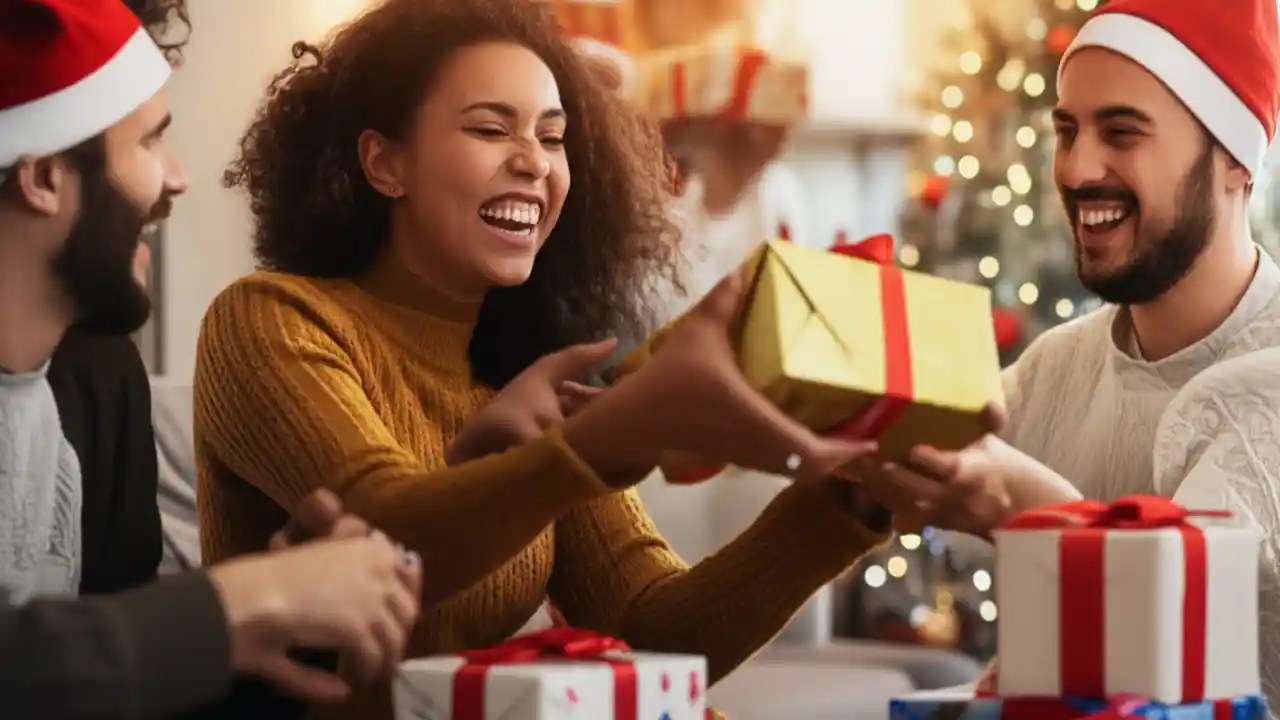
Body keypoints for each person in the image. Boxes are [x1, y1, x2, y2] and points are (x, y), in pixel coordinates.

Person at [194, 1, 1000, 717]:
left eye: (553, 137)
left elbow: (651, 629)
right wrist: (595, 445)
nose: (534, 162)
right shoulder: (270, 322)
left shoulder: (521, 369)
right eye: (489, 128)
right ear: (384, 162)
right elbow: (381, 539)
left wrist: (842, 501)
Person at [855, 0, 1280, 711]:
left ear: (1236, 161)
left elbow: (1183, 673)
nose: (1078, 169)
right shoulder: (1056, 370)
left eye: (1122, 133)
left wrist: (1024, 506)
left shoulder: (1266, 394)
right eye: (1066, 130)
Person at [0, 0, 422, 713]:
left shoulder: (101, 381)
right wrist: (224, 607)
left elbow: (110, 691)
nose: (176, 179)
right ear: (43, 179)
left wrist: (282, 624)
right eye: (150, 143)